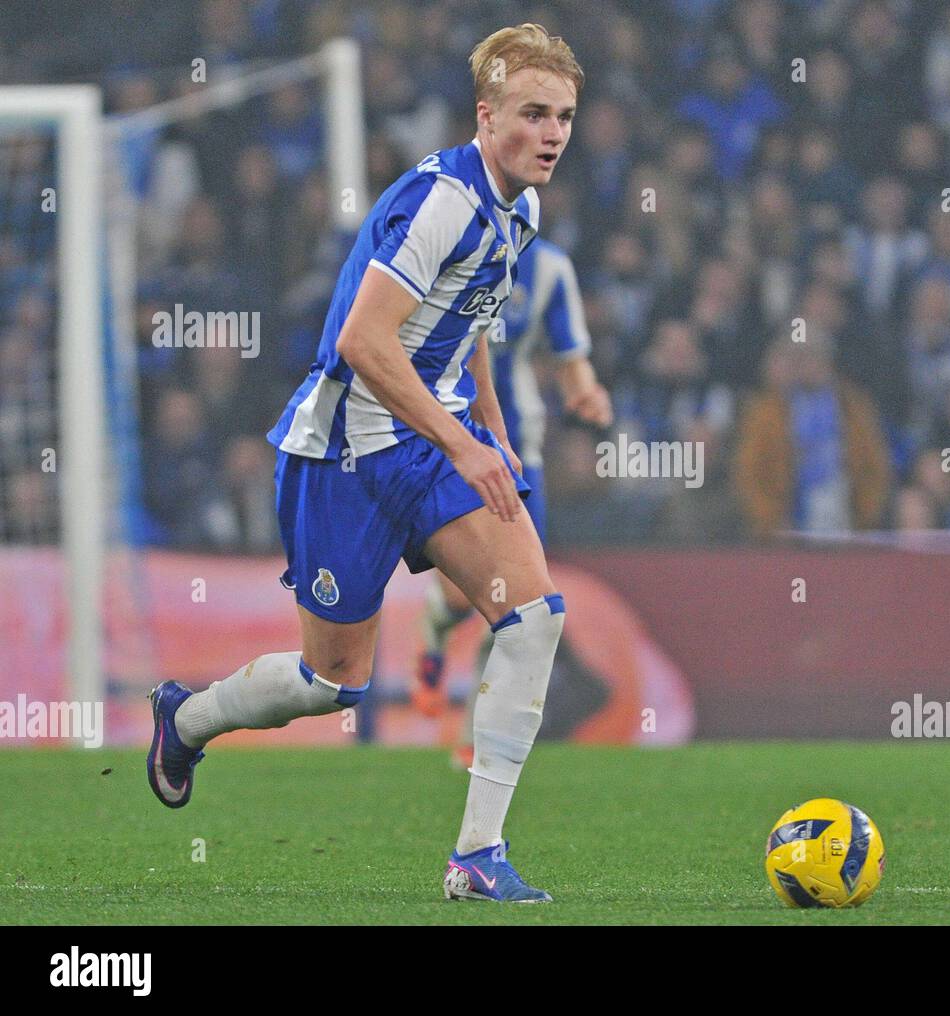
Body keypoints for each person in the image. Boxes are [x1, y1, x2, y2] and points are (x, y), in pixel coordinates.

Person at [145, 24, 584, 904]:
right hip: (345, 450)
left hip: (432, 441)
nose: (552, 134)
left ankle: (477, 855)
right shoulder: (443, 202)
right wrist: (463, 438)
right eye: (534, 113)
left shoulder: (521, 209)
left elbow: (476, 309)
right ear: (485, 113)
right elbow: (363, 339)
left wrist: (485, 419)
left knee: (532, 618)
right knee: (329, 686)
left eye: (565, 116)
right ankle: (185, 717)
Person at [415, 235, 612, 766]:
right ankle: (434, 630)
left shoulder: (549, 269)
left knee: (514, 599)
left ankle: (476, 736)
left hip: (516, 449)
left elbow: (572, 358)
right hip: (445, 437)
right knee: (461, 598)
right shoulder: (443, 248)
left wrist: (585, 391)